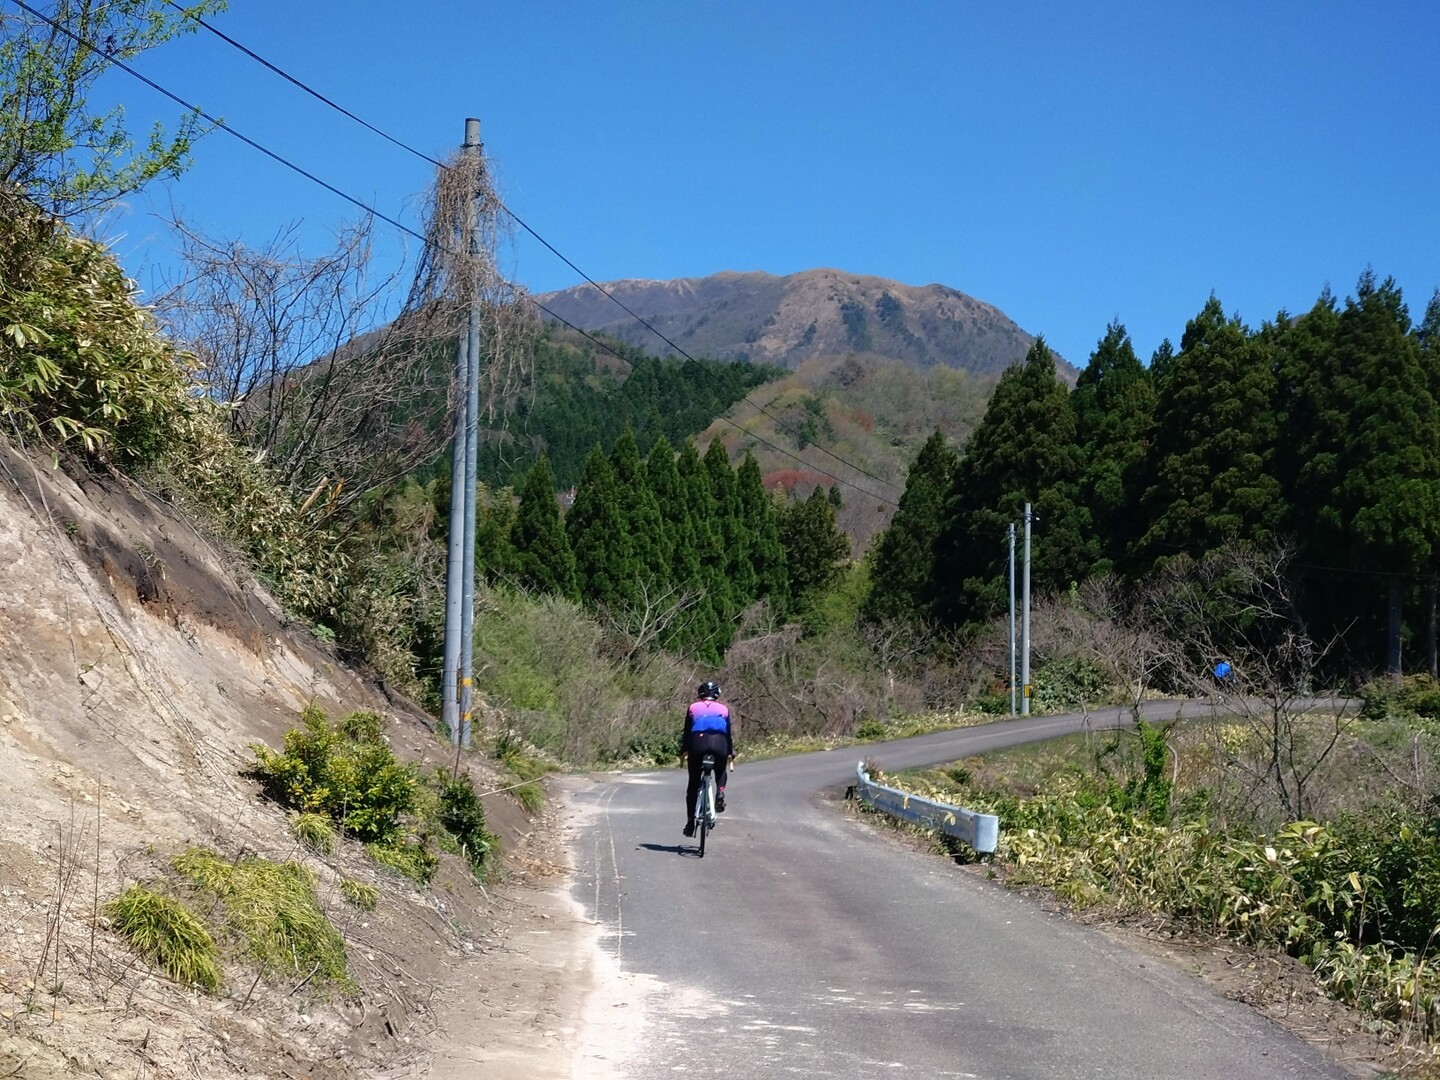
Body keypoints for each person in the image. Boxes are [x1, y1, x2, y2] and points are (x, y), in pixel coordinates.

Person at [680, 680, 734, 837]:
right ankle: (720, 793)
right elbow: (728, 733)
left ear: (700, 694)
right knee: (720, 770)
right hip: (720, 743)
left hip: (698, 743)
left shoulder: (693, 707)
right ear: (717, 695)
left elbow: (687, 733)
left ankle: (690, 823)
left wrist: (683, 750)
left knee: (693, 785)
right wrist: (731, 752)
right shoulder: (724, 709)